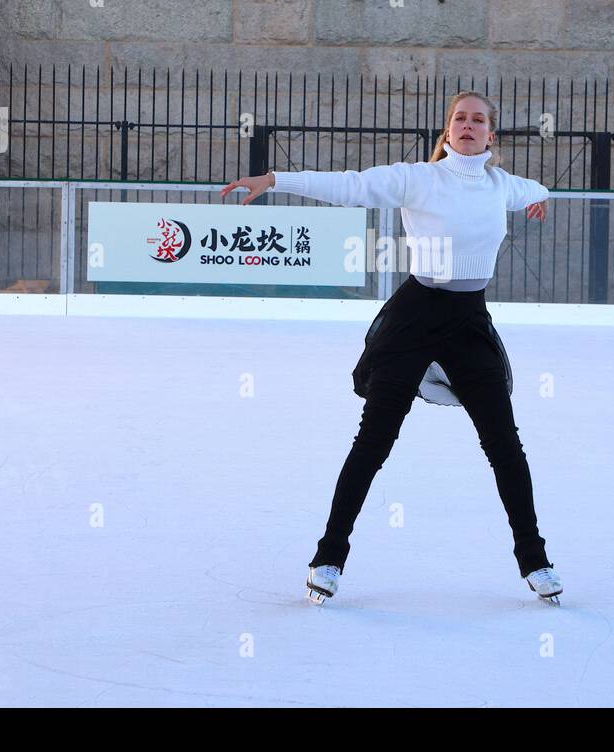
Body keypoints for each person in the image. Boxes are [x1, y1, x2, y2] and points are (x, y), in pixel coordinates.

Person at [220, 90, 562, 606]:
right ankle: (328, 558)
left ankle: (534, 562)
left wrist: (541, 196)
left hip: (469, 324)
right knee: (373, 443)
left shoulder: (502, 185)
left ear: (492, 135)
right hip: (413, 320)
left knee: (505, 447)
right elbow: (351, 186)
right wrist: (274, 180)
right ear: (448, 131)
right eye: (460, 118)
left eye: (479, 120)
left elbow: (536, 188)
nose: (469, 126)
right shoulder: (418, 179)